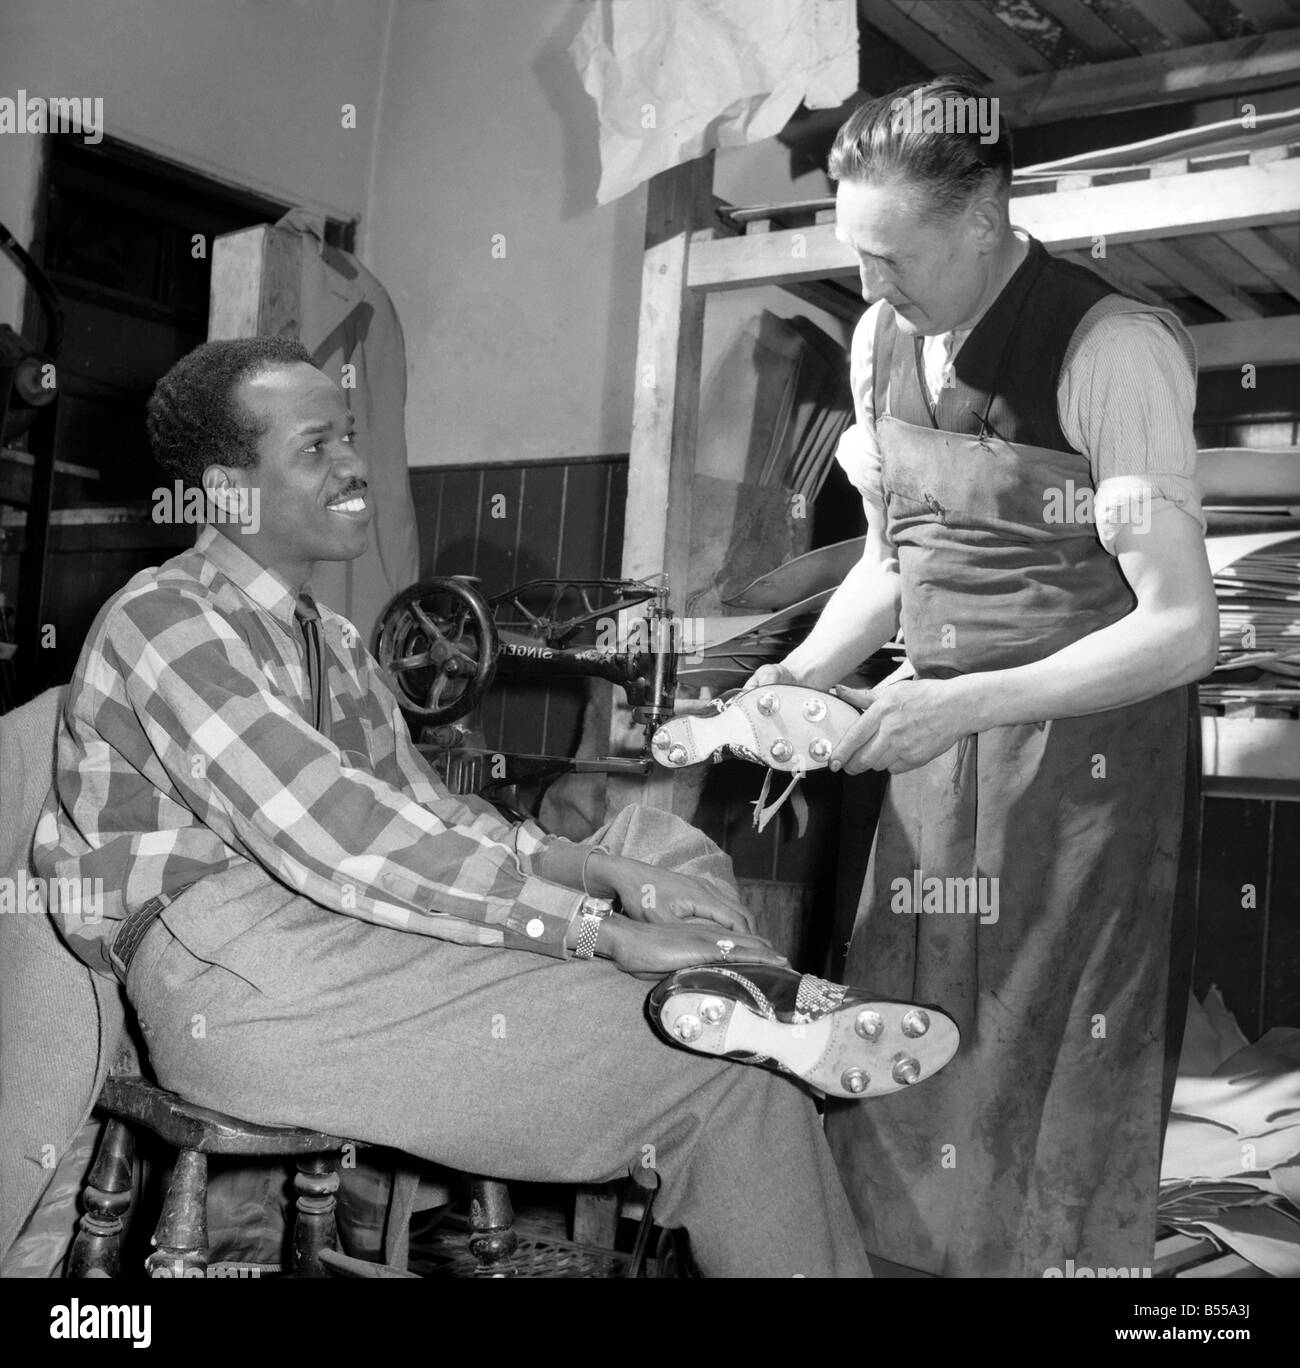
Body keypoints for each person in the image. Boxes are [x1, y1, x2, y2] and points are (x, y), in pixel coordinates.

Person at [34, 336, 871, 1278]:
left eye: (349, 435)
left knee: (660, 851)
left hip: (337, 940)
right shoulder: (168, 619)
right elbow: (342, 838)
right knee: (724, 1079)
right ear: (229, 491)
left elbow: (429, 815)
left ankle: (748, 987)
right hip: (242, 980)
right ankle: (754, 1012)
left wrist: (601, 870)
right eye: (316, 447)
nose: (354, 464)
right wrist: (596, 930)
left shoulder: (333, 643)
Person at [748, 76, 1217, 1277]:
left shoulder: (1111, 346)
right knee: (904, 1055)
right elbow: (893, 567)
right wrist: (787, 681)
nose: (870, 286)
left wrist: (960, 703)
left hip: (1081, 772)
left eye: (893, 256)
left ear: (982, 220)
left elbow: (1180, 630)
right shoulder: (878, 342)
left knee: (1041, 1068)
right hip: (934, 755)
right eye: (856, 254)